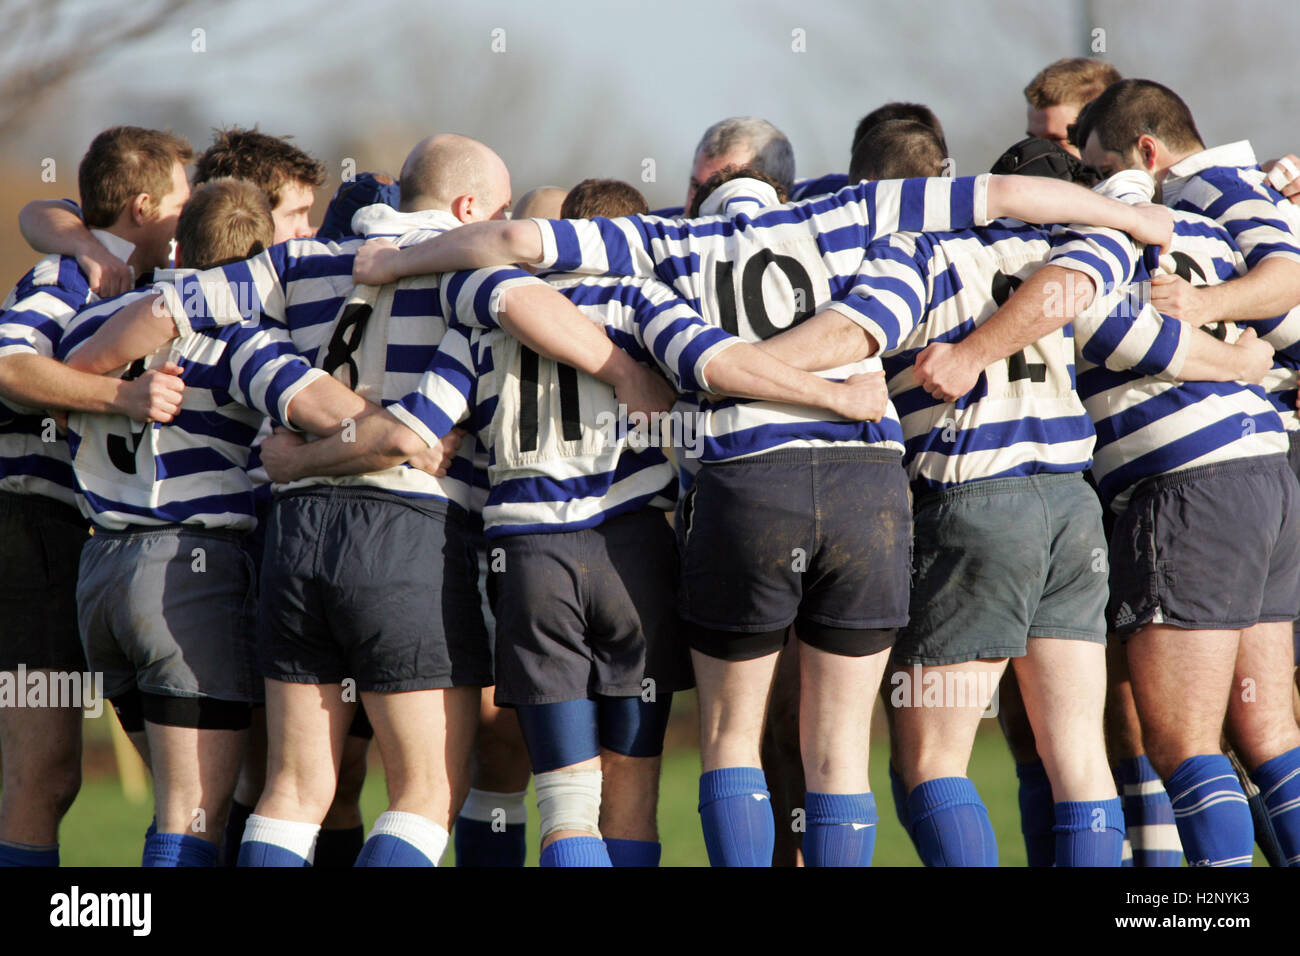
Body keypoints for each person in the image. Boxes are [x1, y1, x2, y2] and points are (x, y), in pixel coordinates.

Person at [0, 125, 191, 867]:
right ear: (143, 207)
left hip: (87, 543)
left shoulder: (129, 272)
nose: (188, 216)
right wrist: (122, 396)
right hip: (32, 529)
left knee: (173, 776)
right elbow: (10, 366)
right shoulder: (68, 277)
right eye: (180, 202)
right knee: (42, 771)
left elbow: (45, 210)